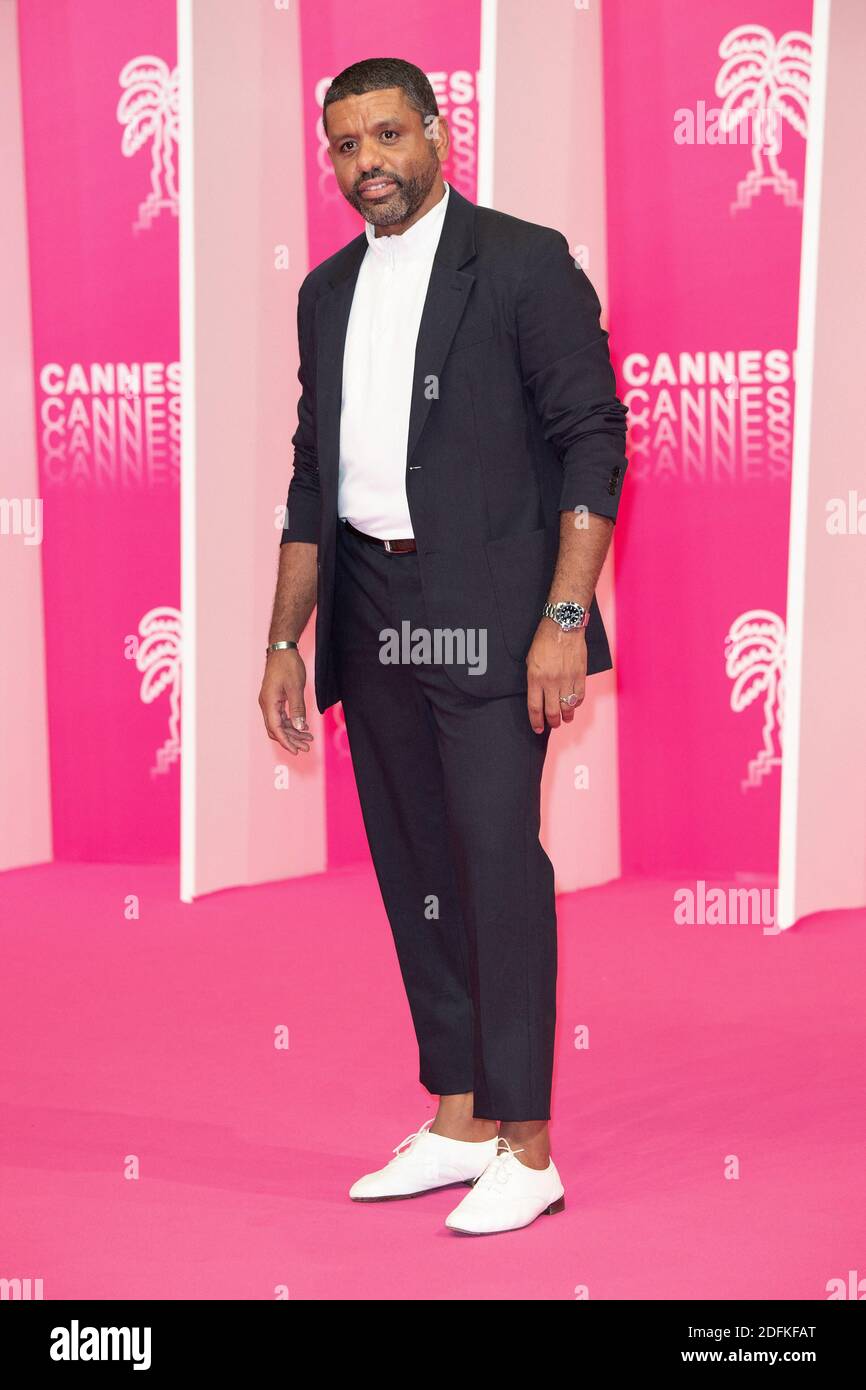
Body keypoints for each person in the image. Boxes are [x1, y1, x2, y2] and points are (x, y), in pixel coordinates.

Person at [258, 57, 628, 1235]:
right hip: (369, 608)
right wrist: (285, 636)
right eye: (343, 147)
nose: (365, 163)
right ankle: (459, 1114)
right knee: (416, 866)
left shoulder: (522, 261)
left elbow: (591, 443)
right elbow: (314, 477)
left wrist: (561, 617)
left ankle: (528, 1142)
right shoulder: (323, 291)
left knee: (495, 864)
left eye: (384, 136)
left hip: (490, 608)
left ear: (435, 131)